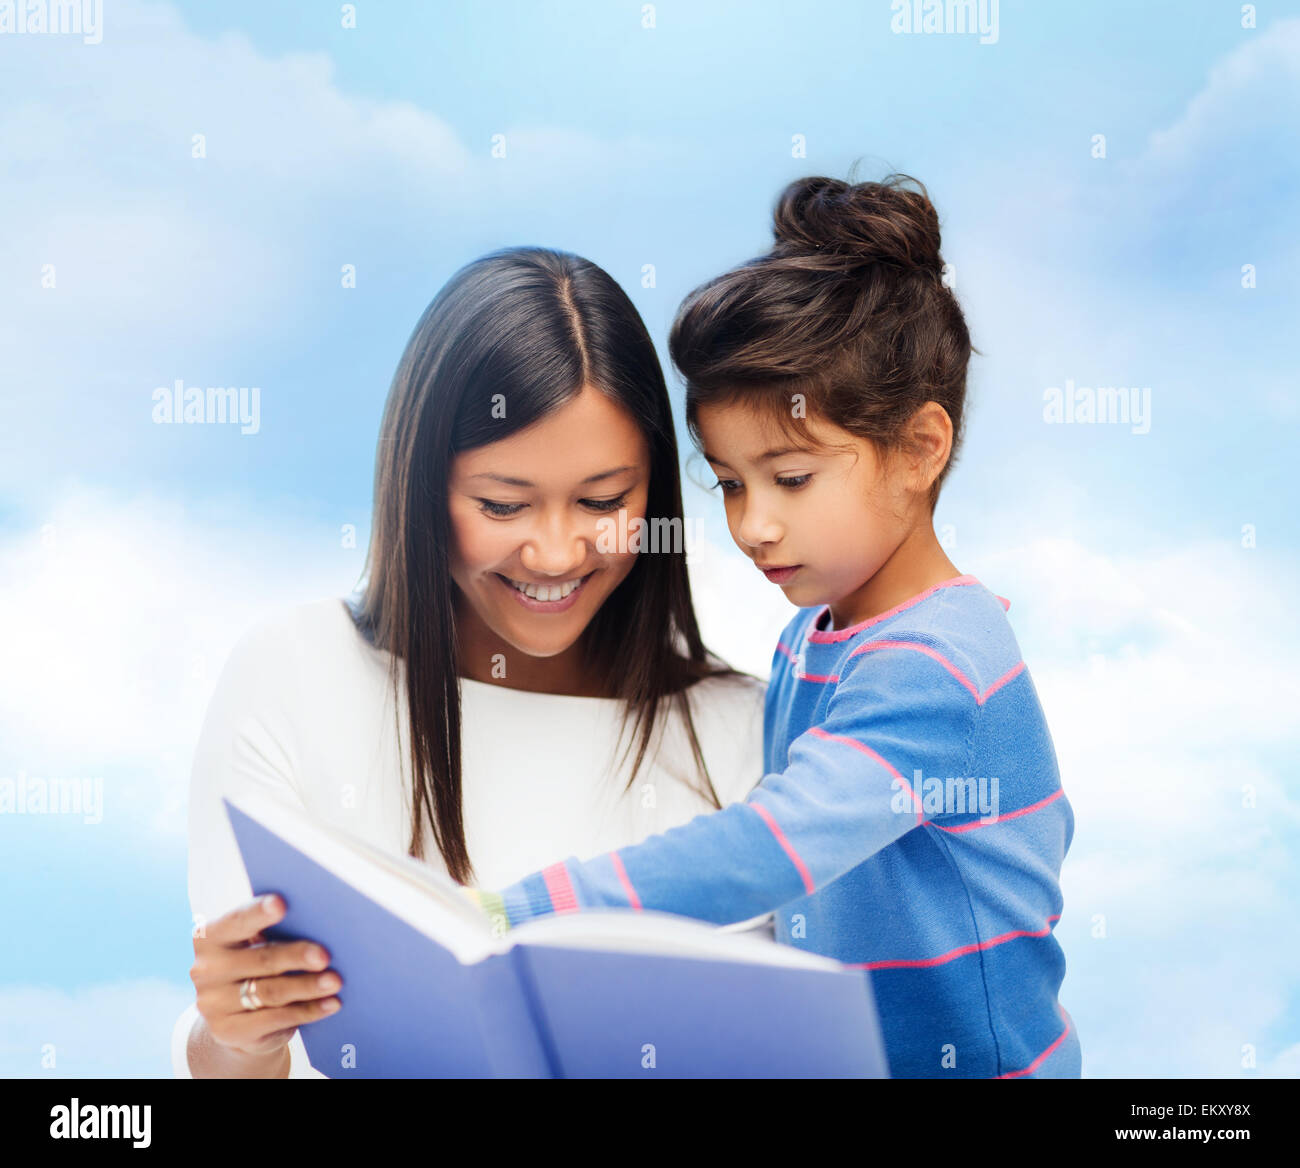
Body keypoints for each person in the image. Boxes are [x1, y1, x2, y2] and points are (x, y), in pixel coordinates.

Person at [465, 175, 1081, 1079]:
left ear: (919, 449)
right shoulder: (814, 639)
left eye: (790, 479)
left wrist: (523, 913)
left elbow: (773, 849)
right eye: (730, 482)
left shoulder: (940, 661)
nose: (753, 524)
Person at [173, 247, 767, 1078]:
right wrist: (234, 1040)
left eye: (604, 501)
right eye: (502, 504)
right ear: (421, 487)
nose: (557, 552)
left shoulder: (750, 734)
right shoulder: (293, 676)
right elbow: (249, 1045)